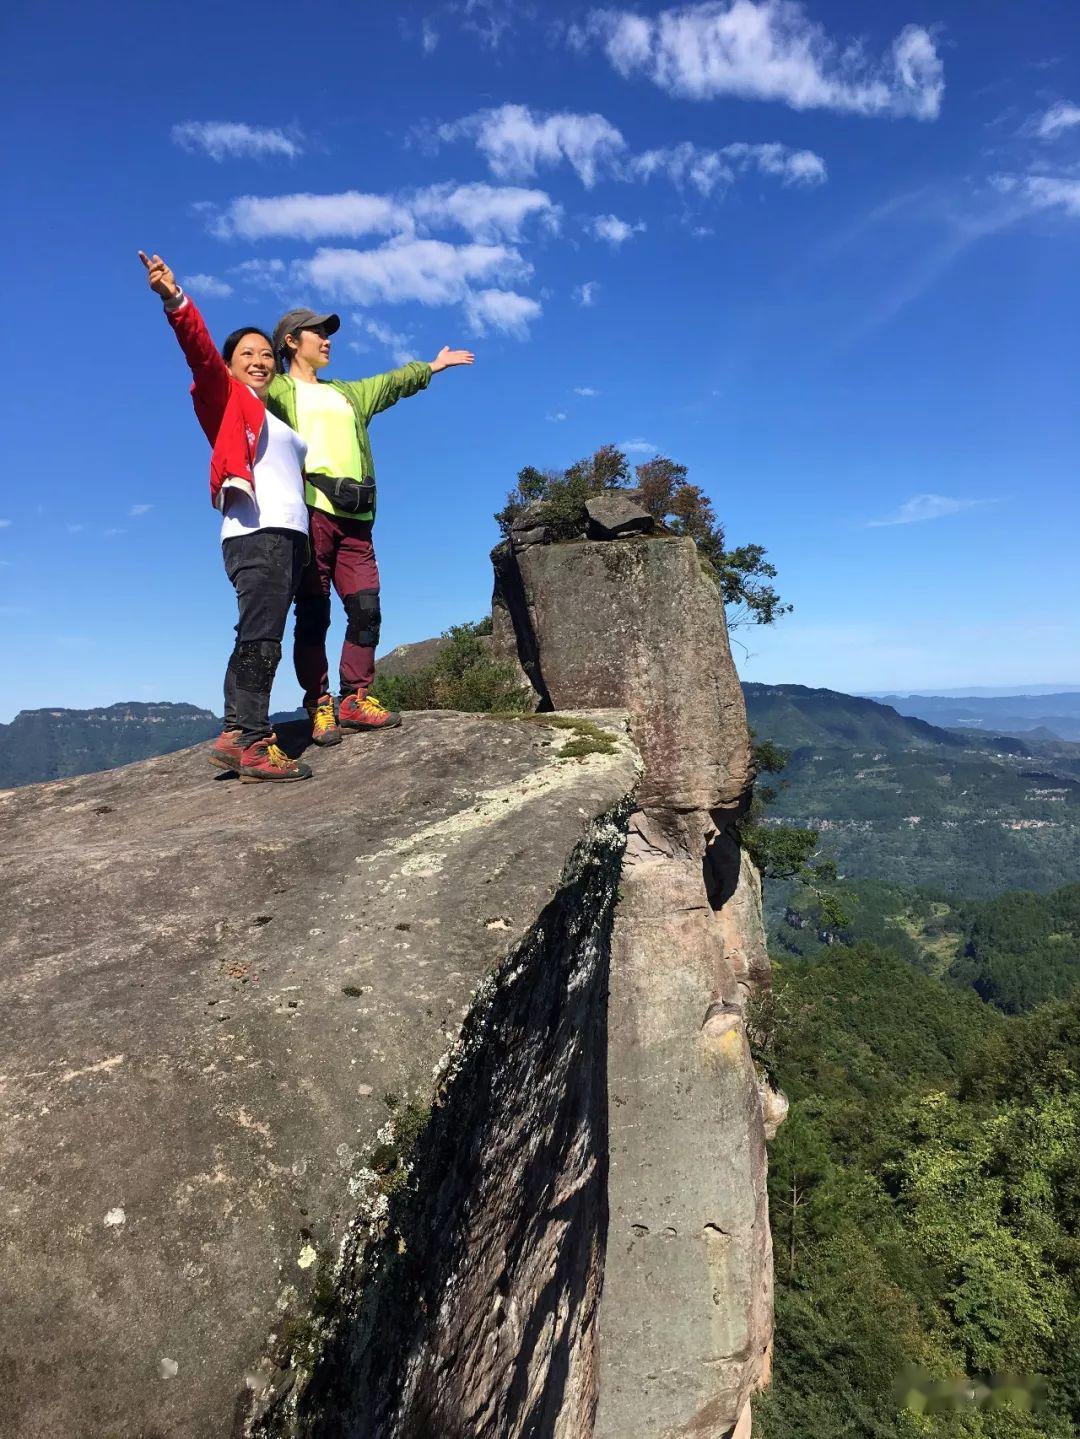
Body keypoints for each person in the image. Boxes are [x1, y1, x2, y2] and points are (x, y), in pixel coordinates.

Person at [138, 252, 312, 782]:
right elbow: (199, 358)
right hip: (258, 534)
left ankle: (237, 733)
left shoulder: (270, 415)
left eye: (266, 354)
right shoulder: (227, 399)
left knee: (255, 633)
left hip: (283, 535)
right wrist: (175, 300)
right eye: (246, 354)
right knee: (262, 638)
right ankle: (256, 743)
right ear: (231, 363)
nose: (259, 360)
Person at [266, 309, 474, 744]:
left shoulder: (347, 393)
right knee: (313, 612)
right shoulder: (278, 390)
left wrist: (430, 367)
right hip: (312, 513)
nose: (327, 340)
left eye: (328, 334)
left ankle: (355, 698)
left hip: (356, 519)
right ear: (290, 341)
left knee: (366, 609)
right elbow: (234, 388)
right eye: (318, 333)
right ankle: (319, 704)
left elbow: (391, 383)